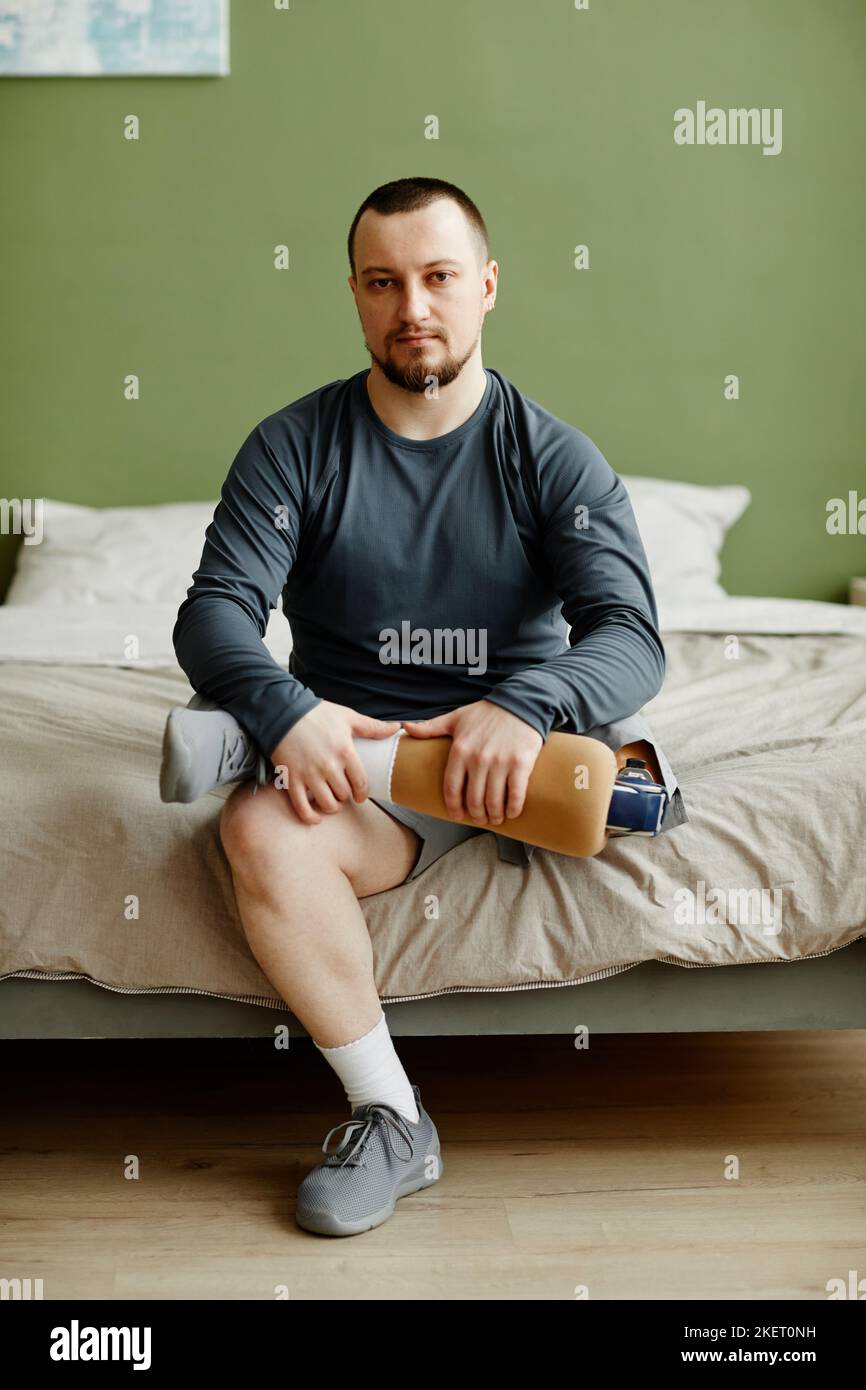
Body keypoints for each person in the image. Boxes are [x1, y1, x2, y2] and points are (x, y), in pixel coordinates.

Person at [164, 177, 688, 1238]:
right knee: (255, 824)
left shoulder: (551, 457)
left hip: (508, 756)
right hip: (354, 766)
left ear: (485, 286)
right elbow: (212, 615)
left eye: (439, 277)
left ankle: (589, 776)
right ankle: (391, 1119)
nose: (413, 306)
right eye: (383, 282)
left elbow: (630, 637)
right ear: (354, 296)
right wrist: (282, 709)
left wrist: (526, 701)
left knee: (575, 763)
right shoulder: (291, 447)